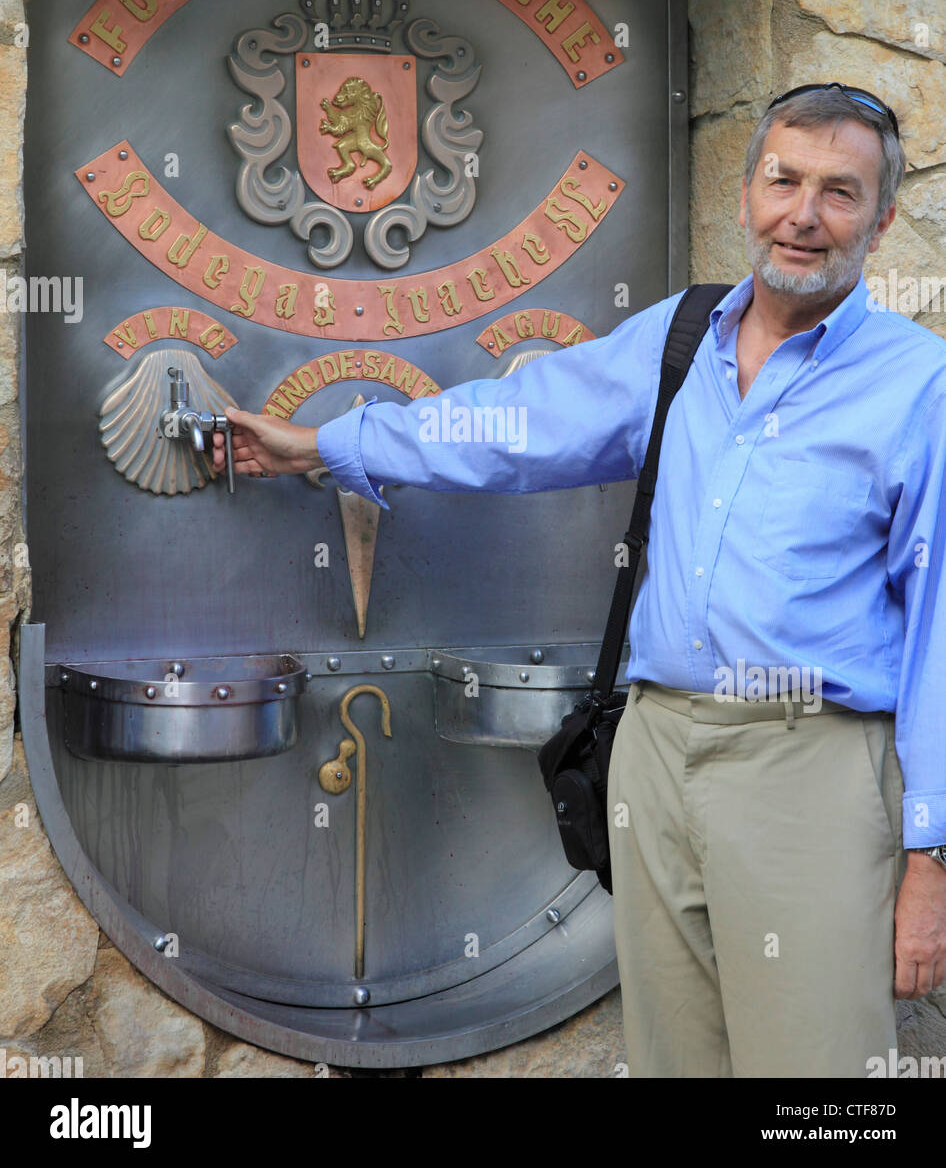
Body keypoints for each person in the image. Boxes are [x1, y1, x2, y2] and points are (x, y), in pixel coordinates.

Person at [213, 84, 946, 1078]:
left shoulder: (918, 386)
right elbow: (510, 422)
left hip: (808, 768)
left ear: (882, 218)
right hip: (650, 750)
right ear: (746, 194)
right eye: (783, 181)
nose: (803, 216)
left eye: (839, 192)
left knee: (815, 1082)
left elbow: (936, 633)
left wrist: (928, 856)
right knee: (673, 1061)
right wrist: (321, 445)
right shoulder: (681, 340)